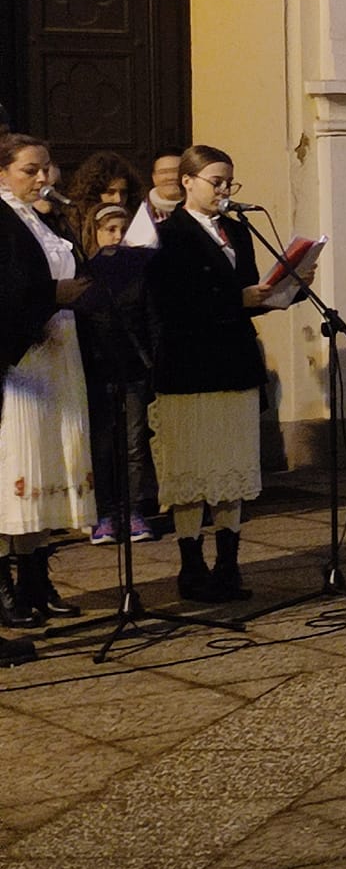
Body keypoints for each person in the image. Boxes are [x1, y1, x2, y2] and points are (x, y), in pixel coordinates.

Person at [144, 146, 279, 603]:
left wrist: (285, 291)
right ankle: (191, 565)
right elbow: (171, 306)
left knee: (232, 465)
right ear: (187, 182)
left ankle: (228, 565)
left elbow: (249, 291)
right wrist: (235, 301)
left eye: (228, 183)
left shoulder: (238, 232)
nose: (223, 190)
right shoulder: (168, 235)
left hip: (234, 360)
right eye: (215, 181)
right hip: (188, 364)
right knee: (193, 469)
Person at [0, 134, 96, 629]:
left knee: (48, 463)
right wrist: (49, 294)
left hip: (60, 350)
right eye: (29, 170)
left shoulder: (44, 220)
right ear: (2, 173)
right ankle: (6, 589)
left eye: (46, 168)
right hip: (21, 360)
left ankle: (37, 579)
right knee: (16, 467)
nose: (42, 178)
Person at [76, 205, 159, 547]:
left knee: (134, 442)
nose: (117, 235)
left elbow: (151, 319)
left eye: (122, 228)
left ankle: (133, 508)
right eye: (109, 228)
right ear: (94, 233)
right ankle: (105, 512)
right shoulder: (87, 272)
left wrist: (154, 361)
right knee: (104, 444)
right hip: (98, 370)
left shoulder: (140, 272)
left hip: (132, 370)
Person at [65, 150, 141, 248]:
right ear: (94, 193)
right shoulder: (76, 228)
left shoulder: (136, 222)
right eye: (110, 192)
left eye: (123, 193)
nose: (118, 199)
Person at [122, 153, 185, 248]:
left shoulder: (201, 209)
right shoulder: (137, 210)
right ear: (154, 177)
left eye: (176, 171)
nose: (171, 177)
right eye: (163, 172)